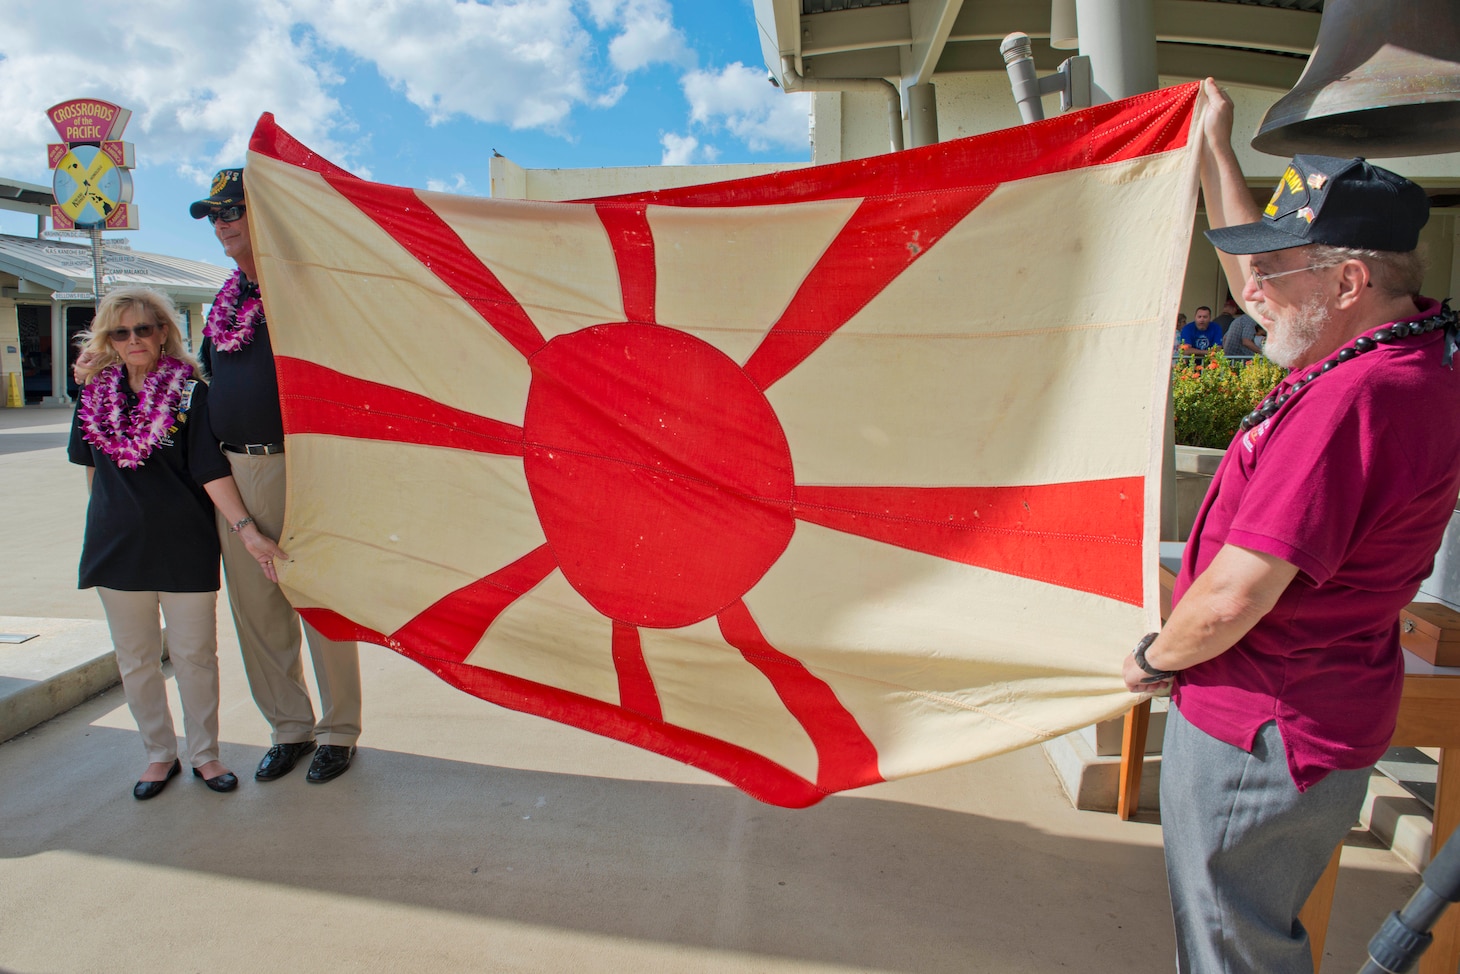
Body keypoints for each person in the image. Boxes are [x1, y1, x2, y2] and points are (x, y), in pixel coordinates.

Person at [1125, 78, 1460, 973]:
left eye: (1279, 266)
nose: (1253, 288)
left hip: (1261, 720)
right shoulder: (1391, 348)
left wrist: (1152, 661)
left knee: (1234, 946)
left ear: (1349, 280)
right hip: (1303, 706)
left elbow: (1236, 594)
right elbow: (1256, 284)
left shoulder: (1353, 400)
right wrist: (1212, 149)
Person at [68, 287, 286, 799]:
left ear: (163, 331)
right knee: (136, 658)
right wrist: (83, 384)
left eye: (144, 328)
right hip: (116, 544)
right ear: (108, 340)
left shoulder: (192, 393)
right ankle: (159, 754)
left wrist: (246, 531)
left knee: (195, 655)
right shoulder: (95, 393)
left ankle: (205, 754)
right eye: (120, 332)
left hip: (184, 542)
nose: (134, 339)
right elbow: (85, 459)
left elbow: (209, 469)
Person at [191, 168, 364, 783]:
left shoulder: (305, 290)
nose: (222, 222)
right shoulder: (224, 303)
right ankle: (289, 728)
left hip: (305, 468)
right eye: (214, 214)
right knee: (258, 612)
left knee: (318, 603)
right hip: (237, 470)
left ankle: (339, 732)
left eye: (233, 209)